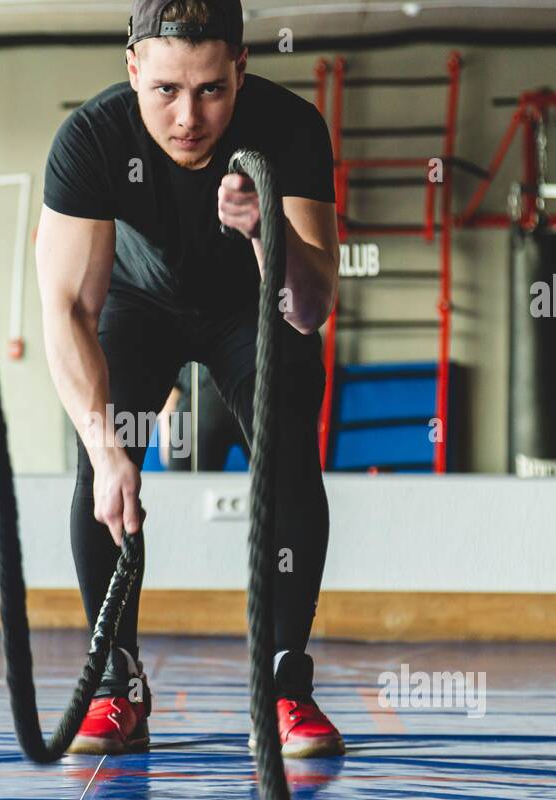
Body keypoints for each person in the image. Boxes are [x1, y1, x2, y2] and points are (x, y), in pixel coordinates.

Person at [36, 0, 343, 758]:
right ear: (133, 68)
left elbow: (310, 310)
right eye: (166, 90)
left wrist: (264, 227)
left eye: (211, 89)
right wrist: (109, 455)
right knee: (99, 462)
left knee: (290, 455)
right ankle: (118, 686)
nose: (187, 118)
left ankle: (284, 688)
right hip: (140, 305)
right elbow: (69, 307)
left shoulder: (291, 128)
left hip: (254, 305)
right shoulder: (92, 138)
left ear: (240, 68)